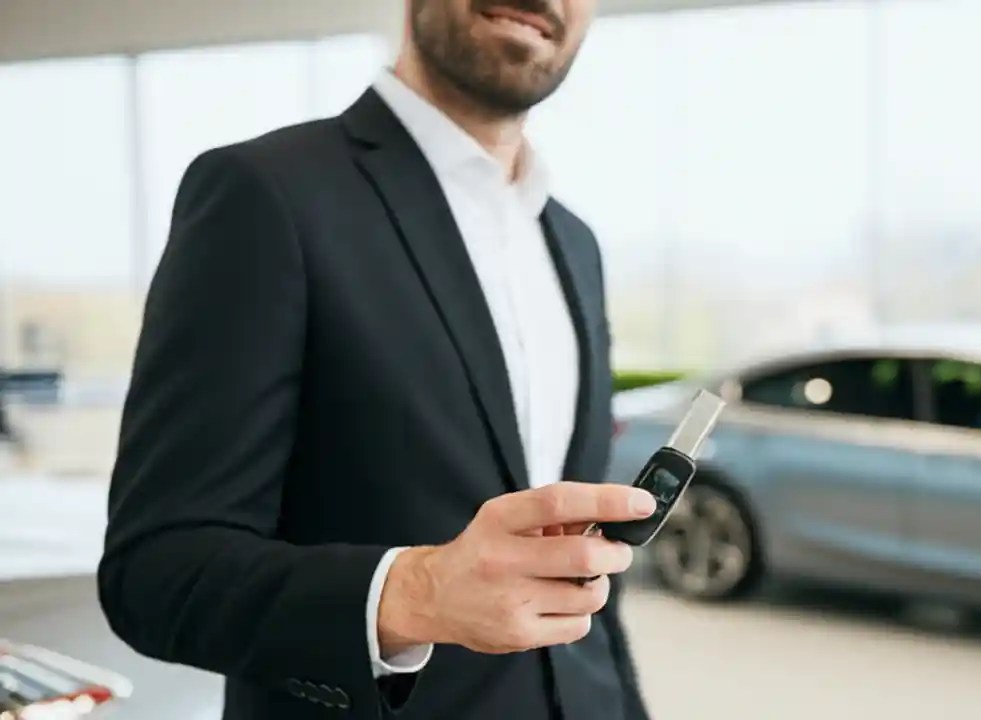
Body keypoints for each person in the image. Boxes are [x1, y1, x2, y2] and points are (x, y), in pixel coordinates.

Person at [97, 1, 655, 718]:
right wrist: (416, 591)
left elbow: (584, 580)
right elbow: (155, 573)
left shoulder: (576, 243)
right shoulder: (263, 194)